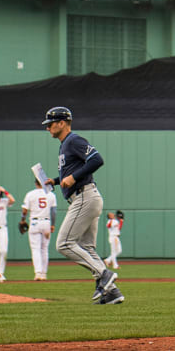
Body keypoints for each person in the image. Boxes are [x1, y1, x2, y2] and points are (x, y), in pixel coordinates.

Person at [41, 106, 122, 304]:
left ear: (62, 123)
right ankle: (112, 293)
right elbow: (75, 172)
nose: (48, 128)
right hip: (85, 197)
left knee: (64, 244)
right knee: (87, 247)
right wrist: (56, 180)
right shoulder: (64, 145)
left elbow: (97, 160)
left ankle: (104, 274)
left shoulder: (73, 140)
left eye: (50, 124)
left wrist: (73, 176)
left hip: (85, 197)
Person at [21, 177, 58, 280]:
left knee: (35, 249)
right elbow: (54, 212)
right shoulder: (51, 194)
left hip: (34, 222)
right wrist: (52, 225)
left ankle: (38, 273)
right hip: (46, 222)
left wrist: (23, 220)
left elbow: (24, 211)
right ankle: (44, 274)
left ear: (35, 183)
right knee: (44, 249)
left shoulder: (30, 194)